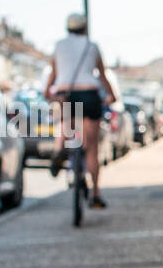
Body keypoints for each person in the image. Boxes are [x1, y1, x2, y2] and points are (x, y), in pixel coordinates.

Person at [44, 13, 118, 209]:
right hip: (89, 95)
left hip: (65, 92)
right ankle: (95, 194)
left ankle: (60, 149)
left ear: (67, 28)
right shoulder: (91, 46)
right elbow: (102, 75)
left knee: (64, 119)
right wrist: (111, 96)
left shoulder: (59, 46)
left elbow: (53, 74)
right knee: (92, 148)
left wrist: (46, 92)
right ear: (85, 28)